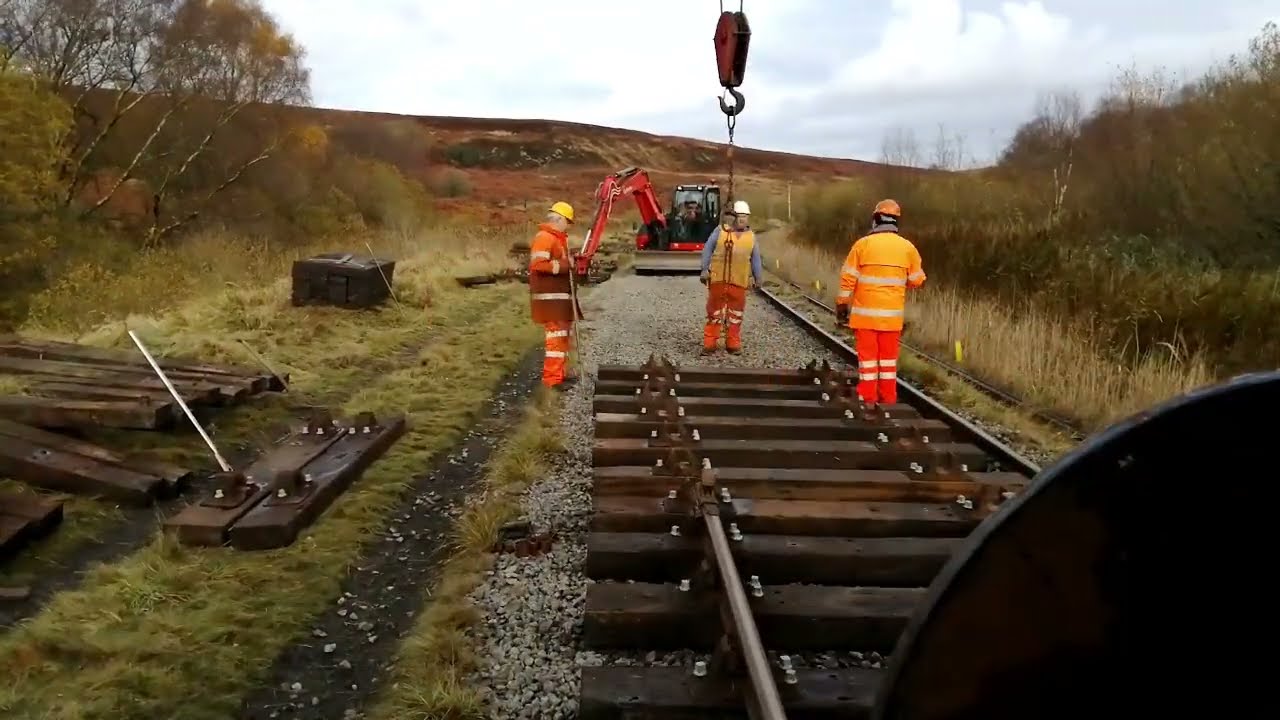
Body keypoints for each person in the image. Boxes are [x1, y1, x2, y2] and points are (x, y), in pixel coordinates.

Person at [835, 198, 926, 409]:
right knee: (887, 363)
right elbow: (917, 279)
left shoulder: (862, 245)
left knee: (868, 362)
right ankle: (888, 400)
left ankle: (868, 399)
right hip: (892, 319)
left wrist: (841, 305)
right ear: (896, 221)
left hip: (865, 318)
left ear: (876, 219)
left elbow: (847, 278)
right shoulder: (907, 248)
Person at [699, 199, 763, 355]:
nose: (742, 219)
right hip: (718, 280)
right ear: (733, 217)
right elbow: (707, 250)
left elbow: (756, 259)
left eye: (745, 216)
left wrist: (758, 277)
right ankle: (709, 344)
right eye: (739, 216)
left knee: (735, 315)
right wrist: (704, 269)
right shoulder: (719, 232)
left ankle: (733, 344)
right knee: (714, 313)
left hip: (738, 282)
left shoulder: (751, 238)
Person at [528, 201, 580, 390]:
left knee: (562, 337)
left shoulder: (557, 239)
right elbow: (538, 265)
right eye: (567, 221)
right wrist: (566, 265)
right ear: (559, 219)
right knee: (556, 339)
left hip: (558, 298)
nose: (568, 226)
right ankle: (552, 380)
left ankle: (559, 375)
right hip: (549, 299)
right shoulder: (545, 238)